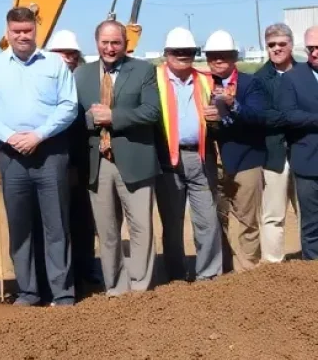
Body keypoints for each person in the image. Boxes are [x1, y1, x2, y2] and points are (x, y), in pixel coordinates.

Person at [0, 7, 78, 306]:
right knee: (20, 226)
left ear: (36, 31)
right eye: (16, 31)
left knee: (56, 224)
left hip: (49, 152)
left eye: (27, 31)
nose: (22, 36)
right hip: (12, 156)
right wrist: (9, 137)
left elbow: (69, 105)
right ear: (7, 32)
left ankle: (62, 292)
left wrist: (39, 135)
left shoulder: (54, 65)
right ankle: (29, 291)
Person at [74, 20, 160, 295]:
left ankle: (139, 284)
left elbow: (152, 111)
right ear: (96, 42)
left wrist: (115, 117)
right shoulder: (81, 74)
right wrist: (90, 120)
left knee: (140, 227)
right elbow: (73, 116)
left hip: (135, 160)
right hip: (98, 163)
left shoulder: (144, 70)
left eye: (116, 43)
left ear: (126, 44)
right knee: (107, 230)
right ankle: (115, 286)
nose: (110, 48)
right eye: (105, 42)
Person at [154, 27, 223, 282]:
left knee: (207, 220)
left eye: (189, 52)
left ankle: (209, 274)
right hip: (169, 159)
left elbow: (220, 115)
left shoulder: (206, 80)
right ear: (167, 53)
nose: (183, 56)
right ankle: (175, 276)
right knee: (172, 224)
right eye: (177, 51)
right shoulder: (154, 79)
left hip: (200, 158)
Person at [203, 30, 268, 273]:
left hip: (246, 161)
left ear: (234, 58)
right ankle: (226, 268)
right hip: (213, 161)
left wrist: (233, 105)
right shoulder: (203, 84)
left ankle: (247, 270)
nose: (217, 60)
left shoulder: (250, 84)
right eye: (212, 56)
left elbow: (260, 117)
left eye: (223, 55)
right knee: (218, 219)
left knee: (247, 220)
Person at [45, 29, 99, 294]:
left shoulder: (84, 80)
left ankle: (85, 268)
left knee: (82, 219)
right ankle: (62, 275)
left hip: (81, 159)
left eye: (70, 53)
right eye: (61, 53)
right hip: (51, 160)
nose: (66, 57)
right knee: (57, 222)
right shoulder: (43, 81)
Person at [252, 22, 299, 262]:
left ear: (291, 45)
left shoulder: (307, 74)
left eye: (282, 44)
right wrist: (296, 116)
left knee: (310, 211)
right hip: (274, 155)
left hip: (306, 153)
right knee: (273, 214)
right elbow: (262, 116)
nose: (277, 49)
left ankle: (312, 260)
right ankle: (273, 265)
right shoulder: (258, 80)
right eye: (272, 45)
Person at [273, 25, 318, 261]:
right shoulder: (293, 79)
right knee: (311, 223)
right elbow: (289, 115)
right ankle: (313, 269)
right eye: (311, 48)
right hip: (308, 161)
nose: (314, 53)